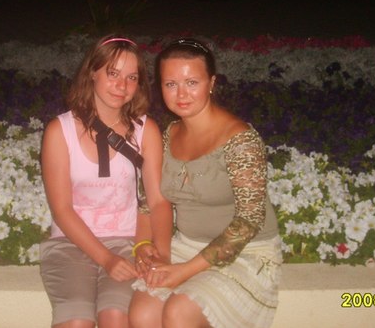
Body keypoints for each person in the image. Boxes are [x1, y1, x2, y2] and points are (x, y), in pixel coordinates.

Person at [129, 38, 282, 328]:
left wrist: (185, 271)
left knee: (179, 312)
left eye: (192, 82)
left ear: (211, 83)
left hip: (243, 255)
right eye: (171, 84)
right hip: (185, 247)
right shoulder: (169, 135)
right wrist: (144, 246)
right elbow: (149, 201)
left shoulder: (240, 140)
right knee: (142, 315)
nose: (181, 94)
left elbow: (249, 221)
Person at [39, 35, 173, 328]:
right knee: (76, 322)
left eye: (131, 77)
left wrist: (159, 254)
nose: (122, 85)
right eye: (113, 73)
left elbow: (157, 200)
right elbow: (62, 210)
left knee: (115, 317)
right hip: (70, 243)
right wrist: (106, 259)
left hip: (127, 242)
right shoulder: (60, 131)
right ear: (92, 72)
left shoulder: (145, 130)